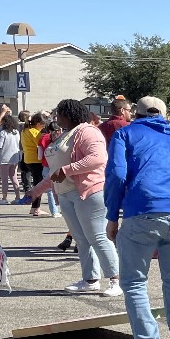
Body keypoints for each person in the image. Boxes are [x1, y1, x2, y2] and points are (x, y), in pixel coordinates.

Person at [106, 96, 170, 339]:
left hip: (143, 211)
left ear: (136, 113)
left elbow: (117, 175)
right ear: (163, 114)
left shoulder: (125, 134)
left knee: (135, 283)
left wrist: (113, 216)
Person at [30, 99, 121, 296]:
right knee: (81, 239)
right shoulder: (65, 135)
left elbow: (98, 158)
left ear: (69, 114)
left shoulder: (88, 131)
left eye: (59, 114)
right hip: (66, 194)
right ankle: (90, 279)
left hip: (89, 192)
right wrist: (36, 190)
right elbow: (55, 172)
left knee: (97, 237)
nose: (57, 118)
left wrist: (68, 169)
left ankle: (116, 279)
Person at [0, 114, 22, 203]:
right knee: (14, 177)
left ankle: (4, 197)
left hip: (3, 158)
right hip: (14, 158)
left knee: (4, 179)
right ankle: (17, 196)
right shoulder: (16, 132)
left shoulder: (3, 133)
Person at [20, 112, 48, 213]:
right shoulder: (33, 132)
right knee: (38, 185)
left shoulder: (25, 130)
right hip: (36, 160)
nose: (43, 126)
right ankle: (35, 208)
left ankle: (35, 207)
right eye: (43, 124)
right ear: (37, 123)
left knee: (37, 183)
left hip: (29, 159)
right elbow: (42, 143)